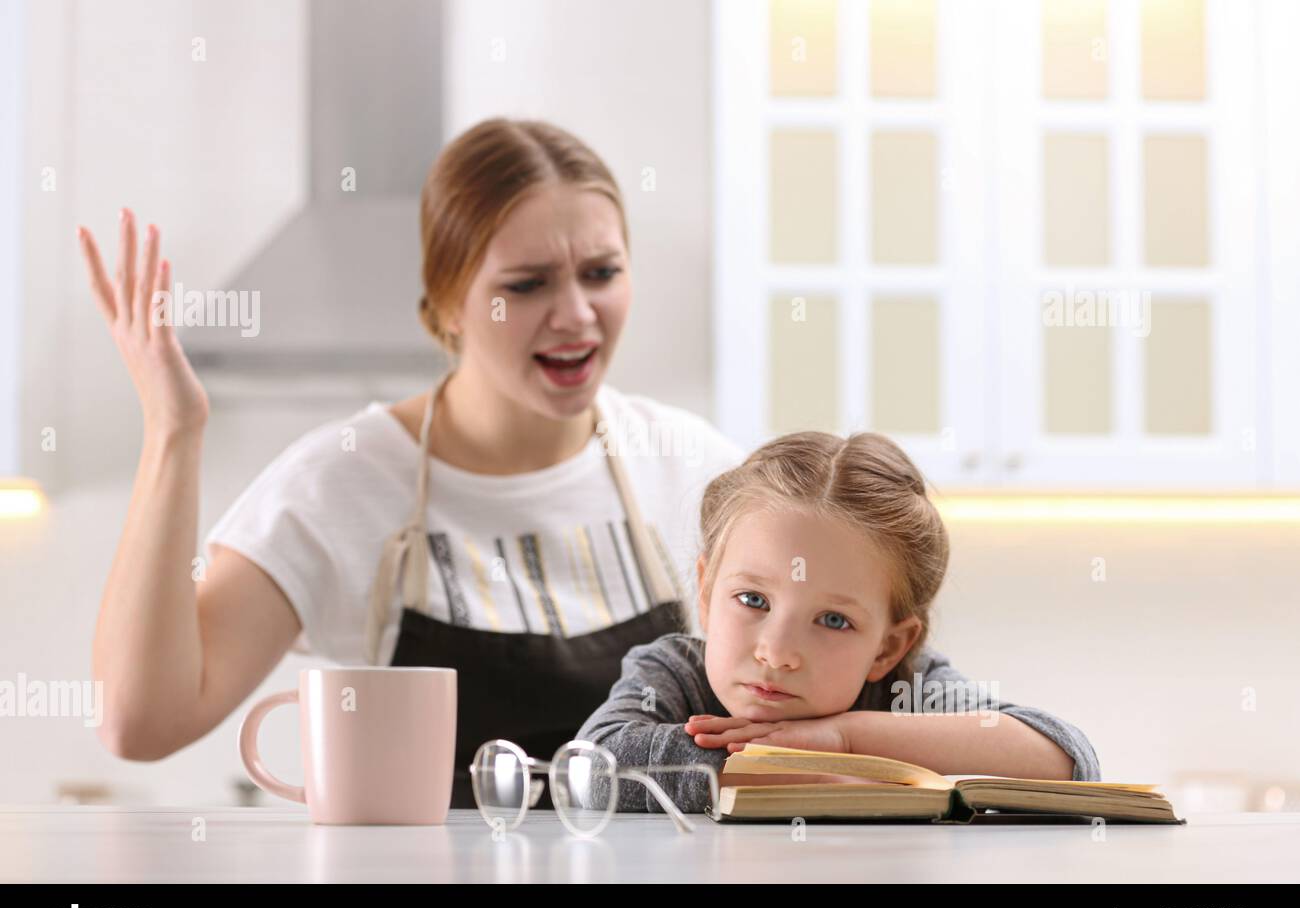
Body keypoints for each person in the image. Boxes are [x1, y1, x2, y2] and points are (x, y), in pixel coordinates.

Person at [78, 117, 745, 808]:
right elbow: (141, 721)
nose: (576, 314)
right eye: (526, 285)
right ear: (449, 302)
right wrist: (171, 431)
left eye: (601, 273)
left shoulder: (691, 467)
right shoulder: (341, 484)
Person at [576, 430, 1102, 813]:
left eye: (832, 619)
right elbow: (589, 770)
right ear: (708, 593)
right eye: (753, 600)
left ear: (888, 648)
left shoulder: (908, 688)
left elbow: (1064, 758)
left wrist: (845, 740)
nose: (777, 652)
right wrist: (806, 772)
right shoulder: (673, 671)